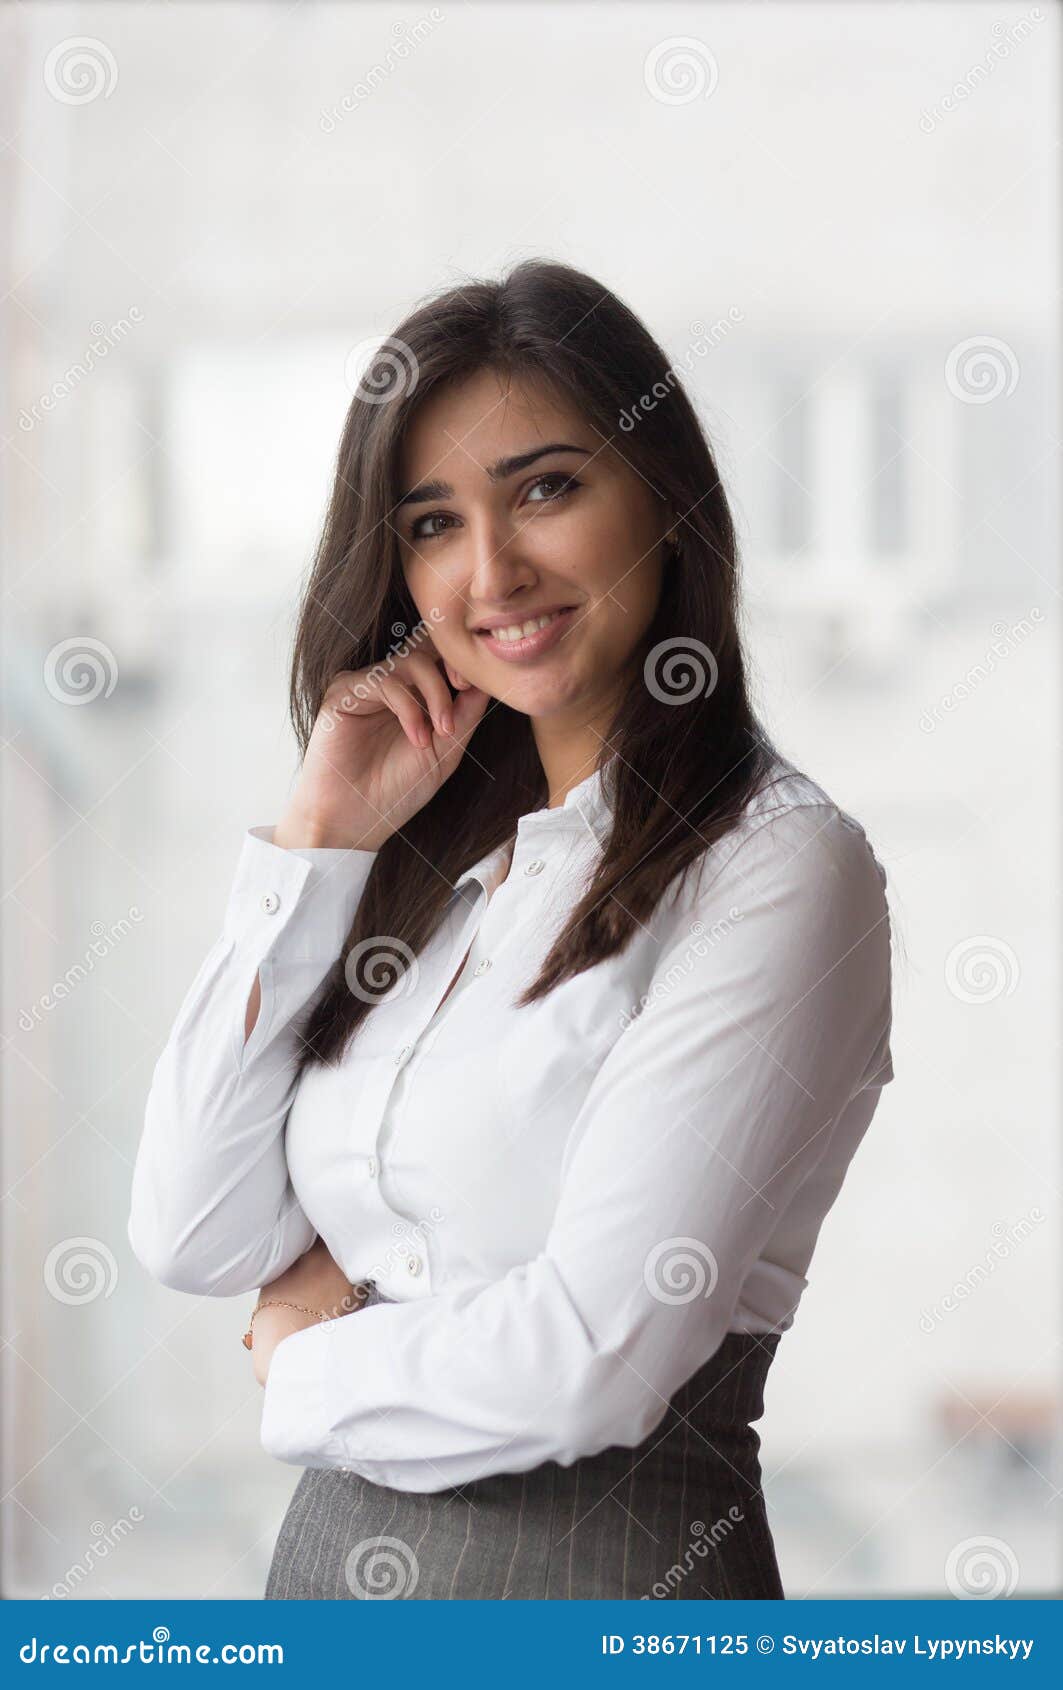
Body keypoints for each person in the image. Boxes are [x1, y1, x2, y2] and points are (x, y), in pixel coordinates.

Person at [127, 257, 895, 1601]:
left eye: (545, 489)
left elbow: (590, 1358)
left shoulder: (778, 870)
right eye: (433, 522)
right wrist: (320, 841)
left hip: (606, 1600)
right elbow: (192, 1228)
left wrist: (303, 1358)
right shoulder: (431, 871)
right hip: (326, 1603)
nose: (492, 570)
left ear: (664, 496)